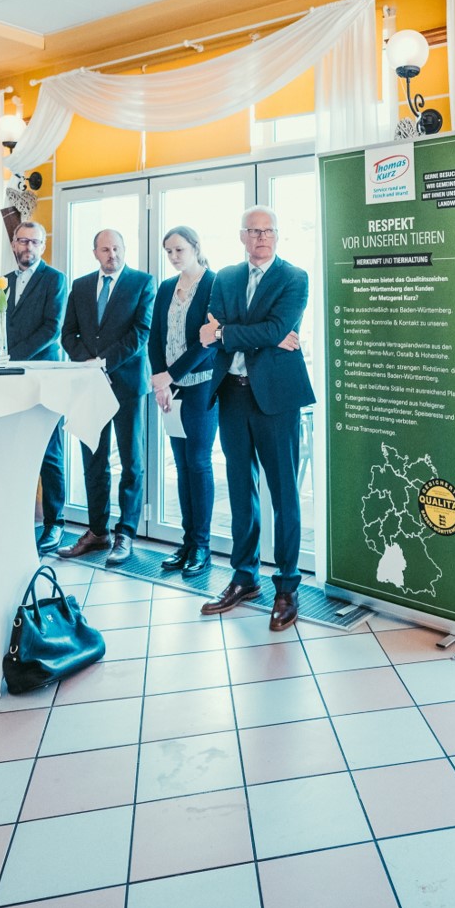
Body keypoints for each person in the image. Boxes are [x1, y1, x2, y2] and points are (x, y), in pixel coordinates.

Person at [198, 206, 314, 632]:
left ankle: (287, 587)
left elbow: (273, 327)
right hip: (232, 394)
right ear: (242, 236)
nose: (261, 237)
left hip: (277, 399)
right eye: (253, 231)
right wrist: (256, 332)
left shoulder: (294, 278)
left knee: (284, 494)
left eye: (268, 231)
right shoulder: (224, 278)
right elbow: (214, 329)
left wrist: (229, 331)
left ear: (278, 236)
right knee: (240, 490)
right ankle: (244, 577)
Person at [57, 229, 156, 567]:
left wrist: (102, 363)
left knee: (132, 462)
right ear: (95, 253)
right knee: (93, 460)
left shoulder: (143, 283)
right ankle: (97, 531)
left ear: (124, 249)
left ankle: (125, 534)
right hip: (89, 386)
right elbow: (67, 333)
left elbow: (141, 333)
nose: (111, 254)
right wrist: (87, 364)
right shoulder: (81, 285)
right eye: (105, 249)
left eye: (117, 248)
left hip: (127, 384)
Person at [0, 220, 72, 556]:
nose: (29, 248)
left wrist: (12, 357)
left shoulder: (55, 280)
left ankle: (55, 523)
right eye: (23, 241)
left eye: (35, 242)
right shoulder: (2, 282)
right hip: (6, 378)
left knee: (49, 452)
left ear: (43, 246)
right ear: (14, 244)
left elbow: (53, 328)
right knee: (14, 446)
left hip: (42, 375)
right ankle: (15, 517)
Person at [148, 226, 219, 577]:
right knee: (179, 462)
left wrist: (171, 375)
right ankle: (187, 541)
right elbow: (155, 338)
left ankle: (202, 546)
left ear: (195, 246)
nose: (175, 257)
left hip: (202, 385)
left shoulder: (213, 284)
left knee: (198, 461)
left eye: (179, 250)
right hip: (170, 388)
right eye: (169, 252)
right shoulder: (165, 288)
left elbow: (209, 344)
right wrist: (160, 380)